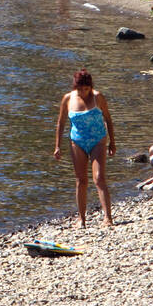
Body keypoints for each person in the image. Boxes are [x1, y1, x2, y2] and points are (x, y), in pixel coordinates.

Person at [53, 69, 115, 227]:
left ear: (91, 87)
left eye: (86, 89)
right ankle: (82, 219)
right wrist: (57, 146)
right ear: (75, 87)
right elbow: (61, 123)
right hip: (77, 142)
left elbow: (107, 118)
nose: (83, 92)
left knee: (99, 178)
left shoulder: (97, 97)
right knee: (81, 180)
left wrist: (112, 142)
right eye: (80, 89)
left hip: (98, 141)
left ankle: (108, 218)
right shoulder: (67, 98)